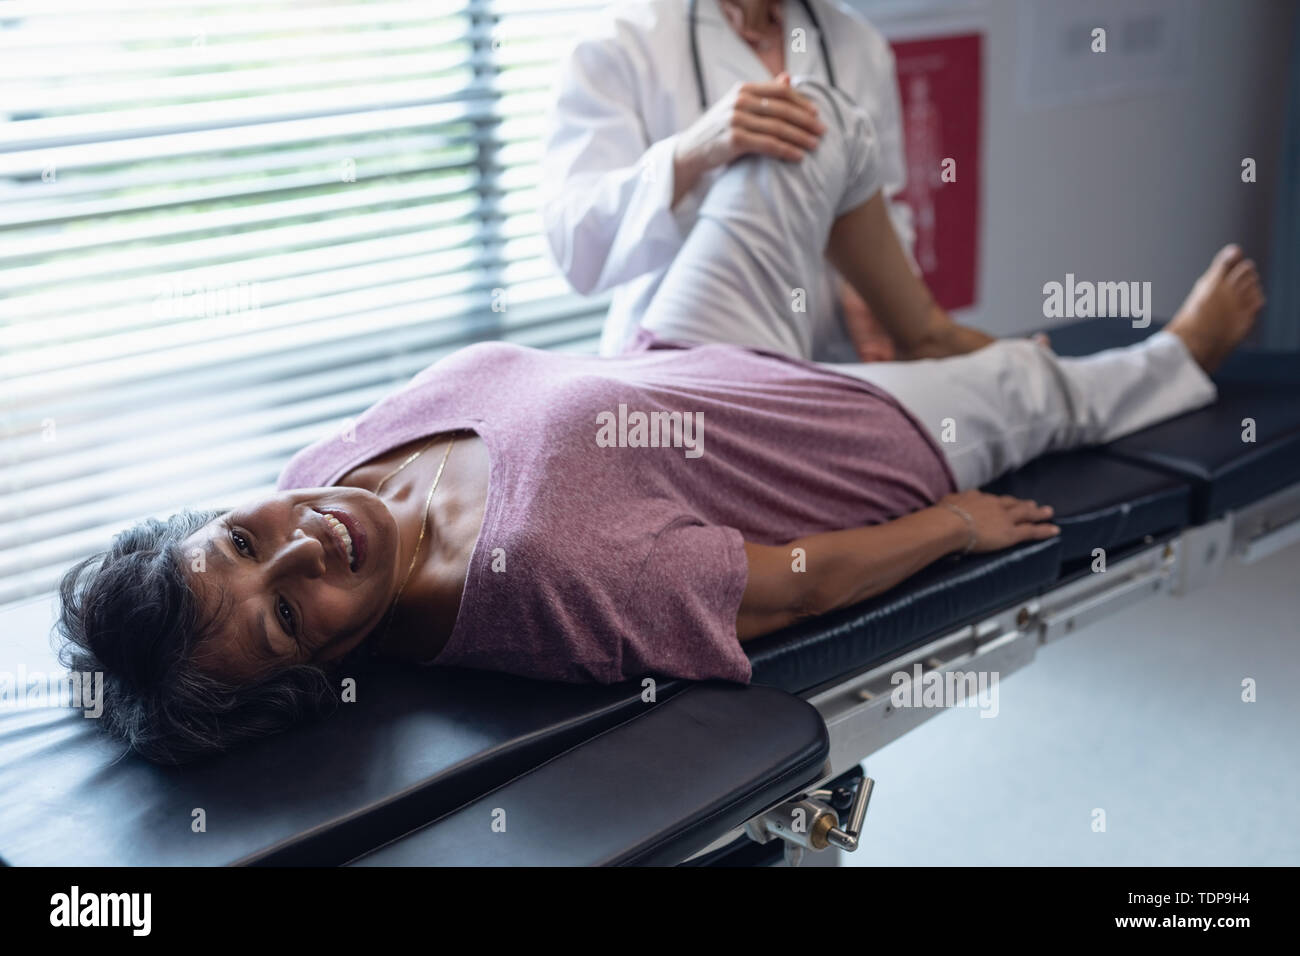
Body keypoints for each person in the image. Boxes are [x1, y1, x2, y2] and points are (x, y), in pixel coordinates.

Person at [56, 80, 1263, 764]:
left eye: (237, 538)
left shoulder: (317, 470)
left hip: (677, 362)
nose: (302, 543)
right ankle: (1169, 362)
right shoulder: (538, 579)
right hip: (847, 436)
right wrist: (946, 523)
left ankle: (925, 319)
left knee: (800, 127)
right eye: (282, 611)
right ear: (319, 675)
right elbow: (789, 585)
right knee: (1036, 391)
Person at [542, 0, 982, 362]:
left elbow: (884, 202)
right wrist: (688, 155)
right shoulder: (618, 42)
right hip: (674, 373)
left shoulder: (857, 44)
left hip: (832, 365)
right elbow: (575, 243)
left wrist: (870, 294)